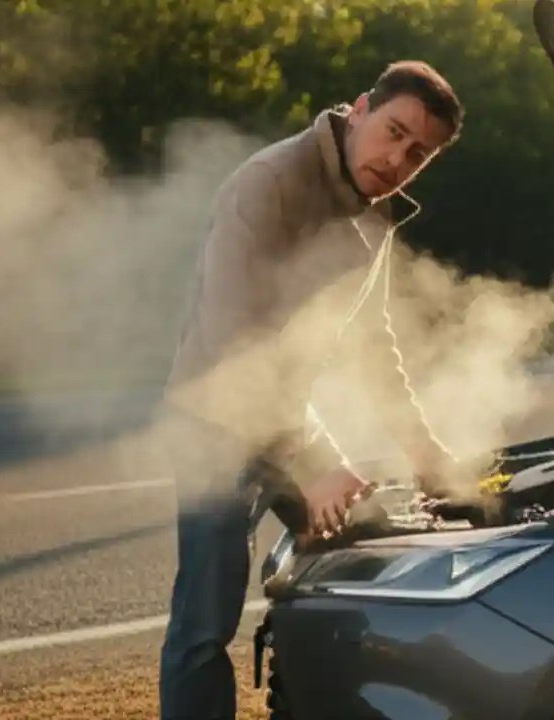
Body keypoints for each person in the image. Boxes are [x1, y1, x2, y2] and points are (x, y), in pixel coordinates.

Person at [156, 60, 465, 719]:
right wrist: (316, 463)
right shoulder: (267, 184)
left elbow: (375, 342)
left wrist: (424, 449)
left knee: (369, 552)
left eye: (420, 153)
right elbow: (234, 351)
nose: (400, 158)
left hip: (290, 420)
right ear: (358, 109)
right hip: (214, 423)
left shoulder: (377, 209)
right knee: (204, 623)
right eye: (393, 132)